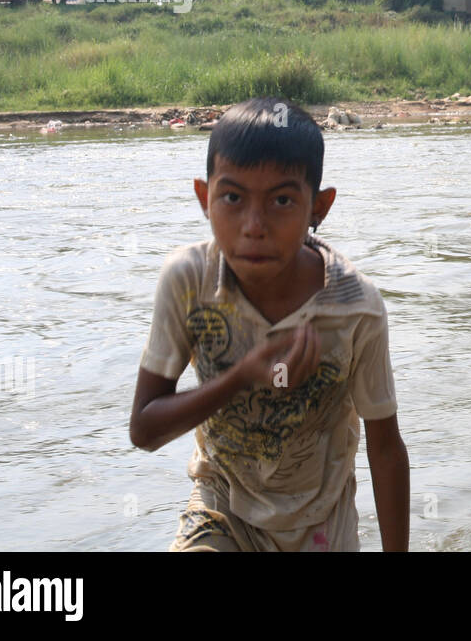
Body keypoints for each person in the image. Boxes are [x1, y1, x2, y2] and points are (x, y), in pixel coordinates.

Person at [128, 96, 408, 551]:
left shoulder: (356, 307)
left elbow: (385, 447)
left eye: (281, 200)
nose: (253, 225)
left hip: (320, 526)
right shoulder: (188, 281)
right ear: (205, 199)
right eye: (233, 198)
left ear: (319, 207)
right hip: (223, 507)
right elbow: (144, 429)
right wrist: (243, 375)